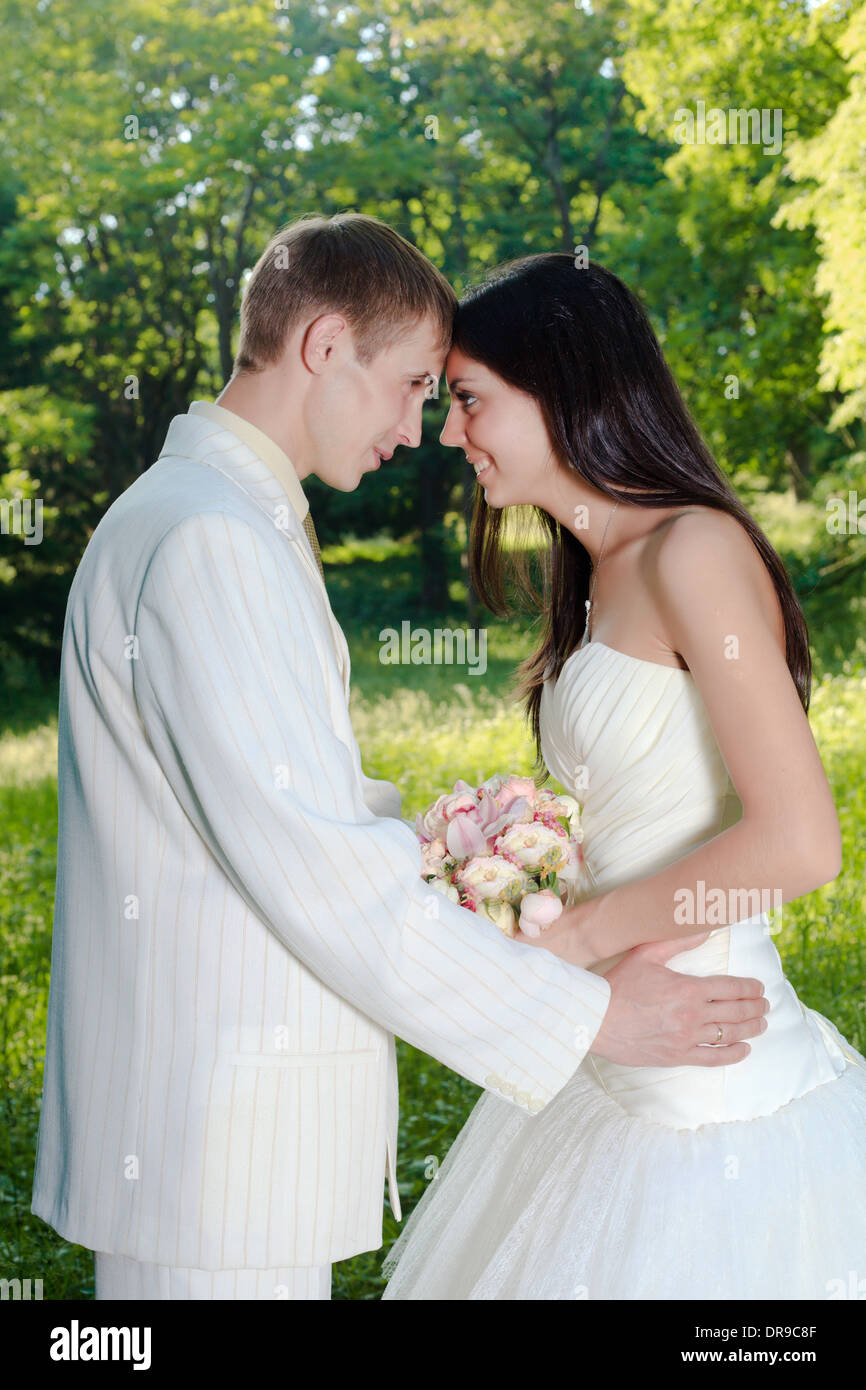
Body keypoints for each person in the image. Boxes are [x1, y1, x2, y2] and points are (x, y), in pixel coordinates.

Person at [30, 216, 767, 1301]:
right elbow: (315, 868)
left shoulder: (212, 517)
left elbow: (297, 812)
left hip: (218, 1141)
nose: (421, 428)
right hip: (215, 1147)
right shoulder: (209, 539)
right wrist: (592, 1012)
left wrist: (465, 861)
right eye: (419, 384)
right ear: (326, 345)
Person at [380, 254, 866, 1300]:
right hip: (613, 1055)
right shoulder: (598, 569)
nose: (448, 432)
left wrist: (579, 936)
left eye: (468, 401)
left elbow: (797, 843)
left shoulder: (691, 549)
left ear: (559, 386)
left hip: (710, 1085)